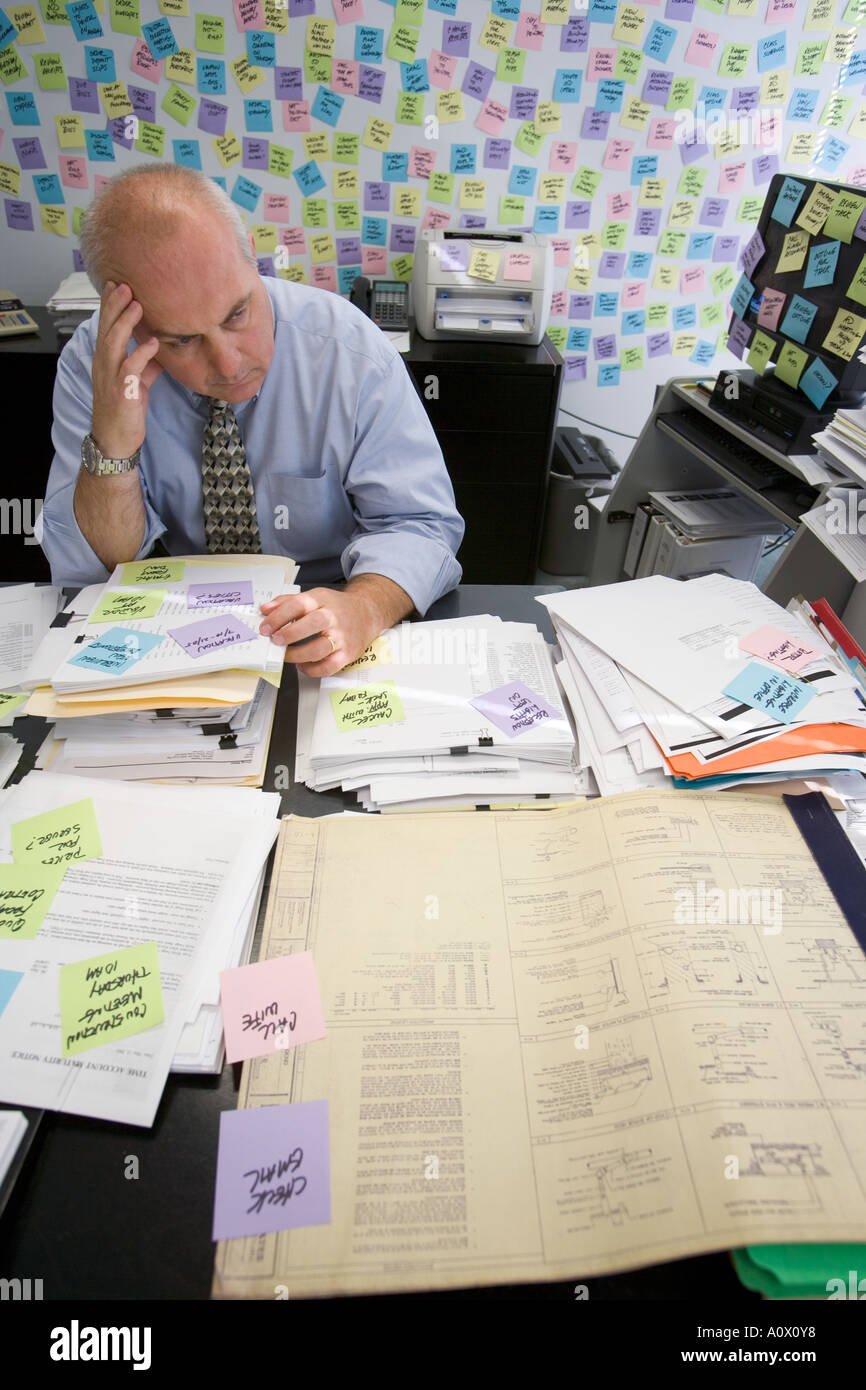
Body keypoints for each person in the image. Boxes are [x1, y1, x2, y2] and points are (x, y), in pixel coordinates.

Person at [41, 163, 464, 676]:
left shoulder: (349, 351)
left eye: (236, 314)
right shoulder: (99, 368)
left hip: (331, 621)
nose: (229, 363)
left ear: (252, 263)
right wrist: (113, 442)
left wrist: (363, 607)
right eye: (182, 340)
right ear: (128, 323)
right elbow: (95, 568)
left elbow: (419, 525)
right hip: (176, 631)